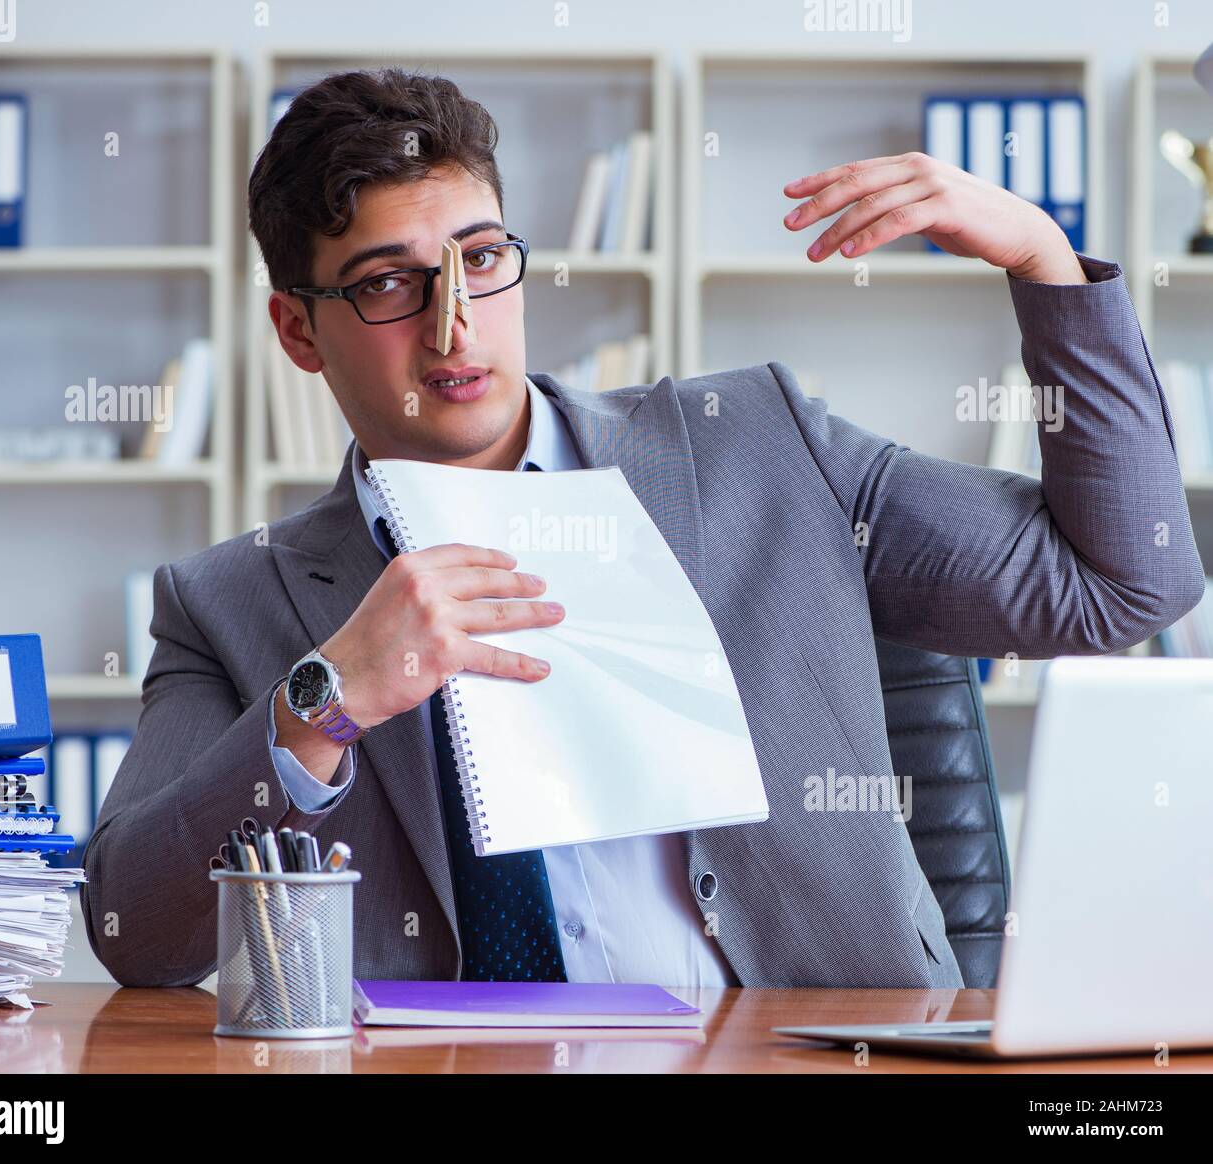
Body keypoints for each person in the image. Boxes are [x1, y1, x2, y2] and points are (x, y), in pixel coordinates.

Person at [81, 68, 1204, 990]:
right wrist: (323, 702)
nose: (453, 324)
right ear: (297, 330)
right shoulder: (228, 603)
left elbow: (1128, 583)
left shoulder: (758, 446)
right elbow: (132, 932)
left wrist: (1046, 266)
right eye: (388, 284)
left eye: (478, 260)